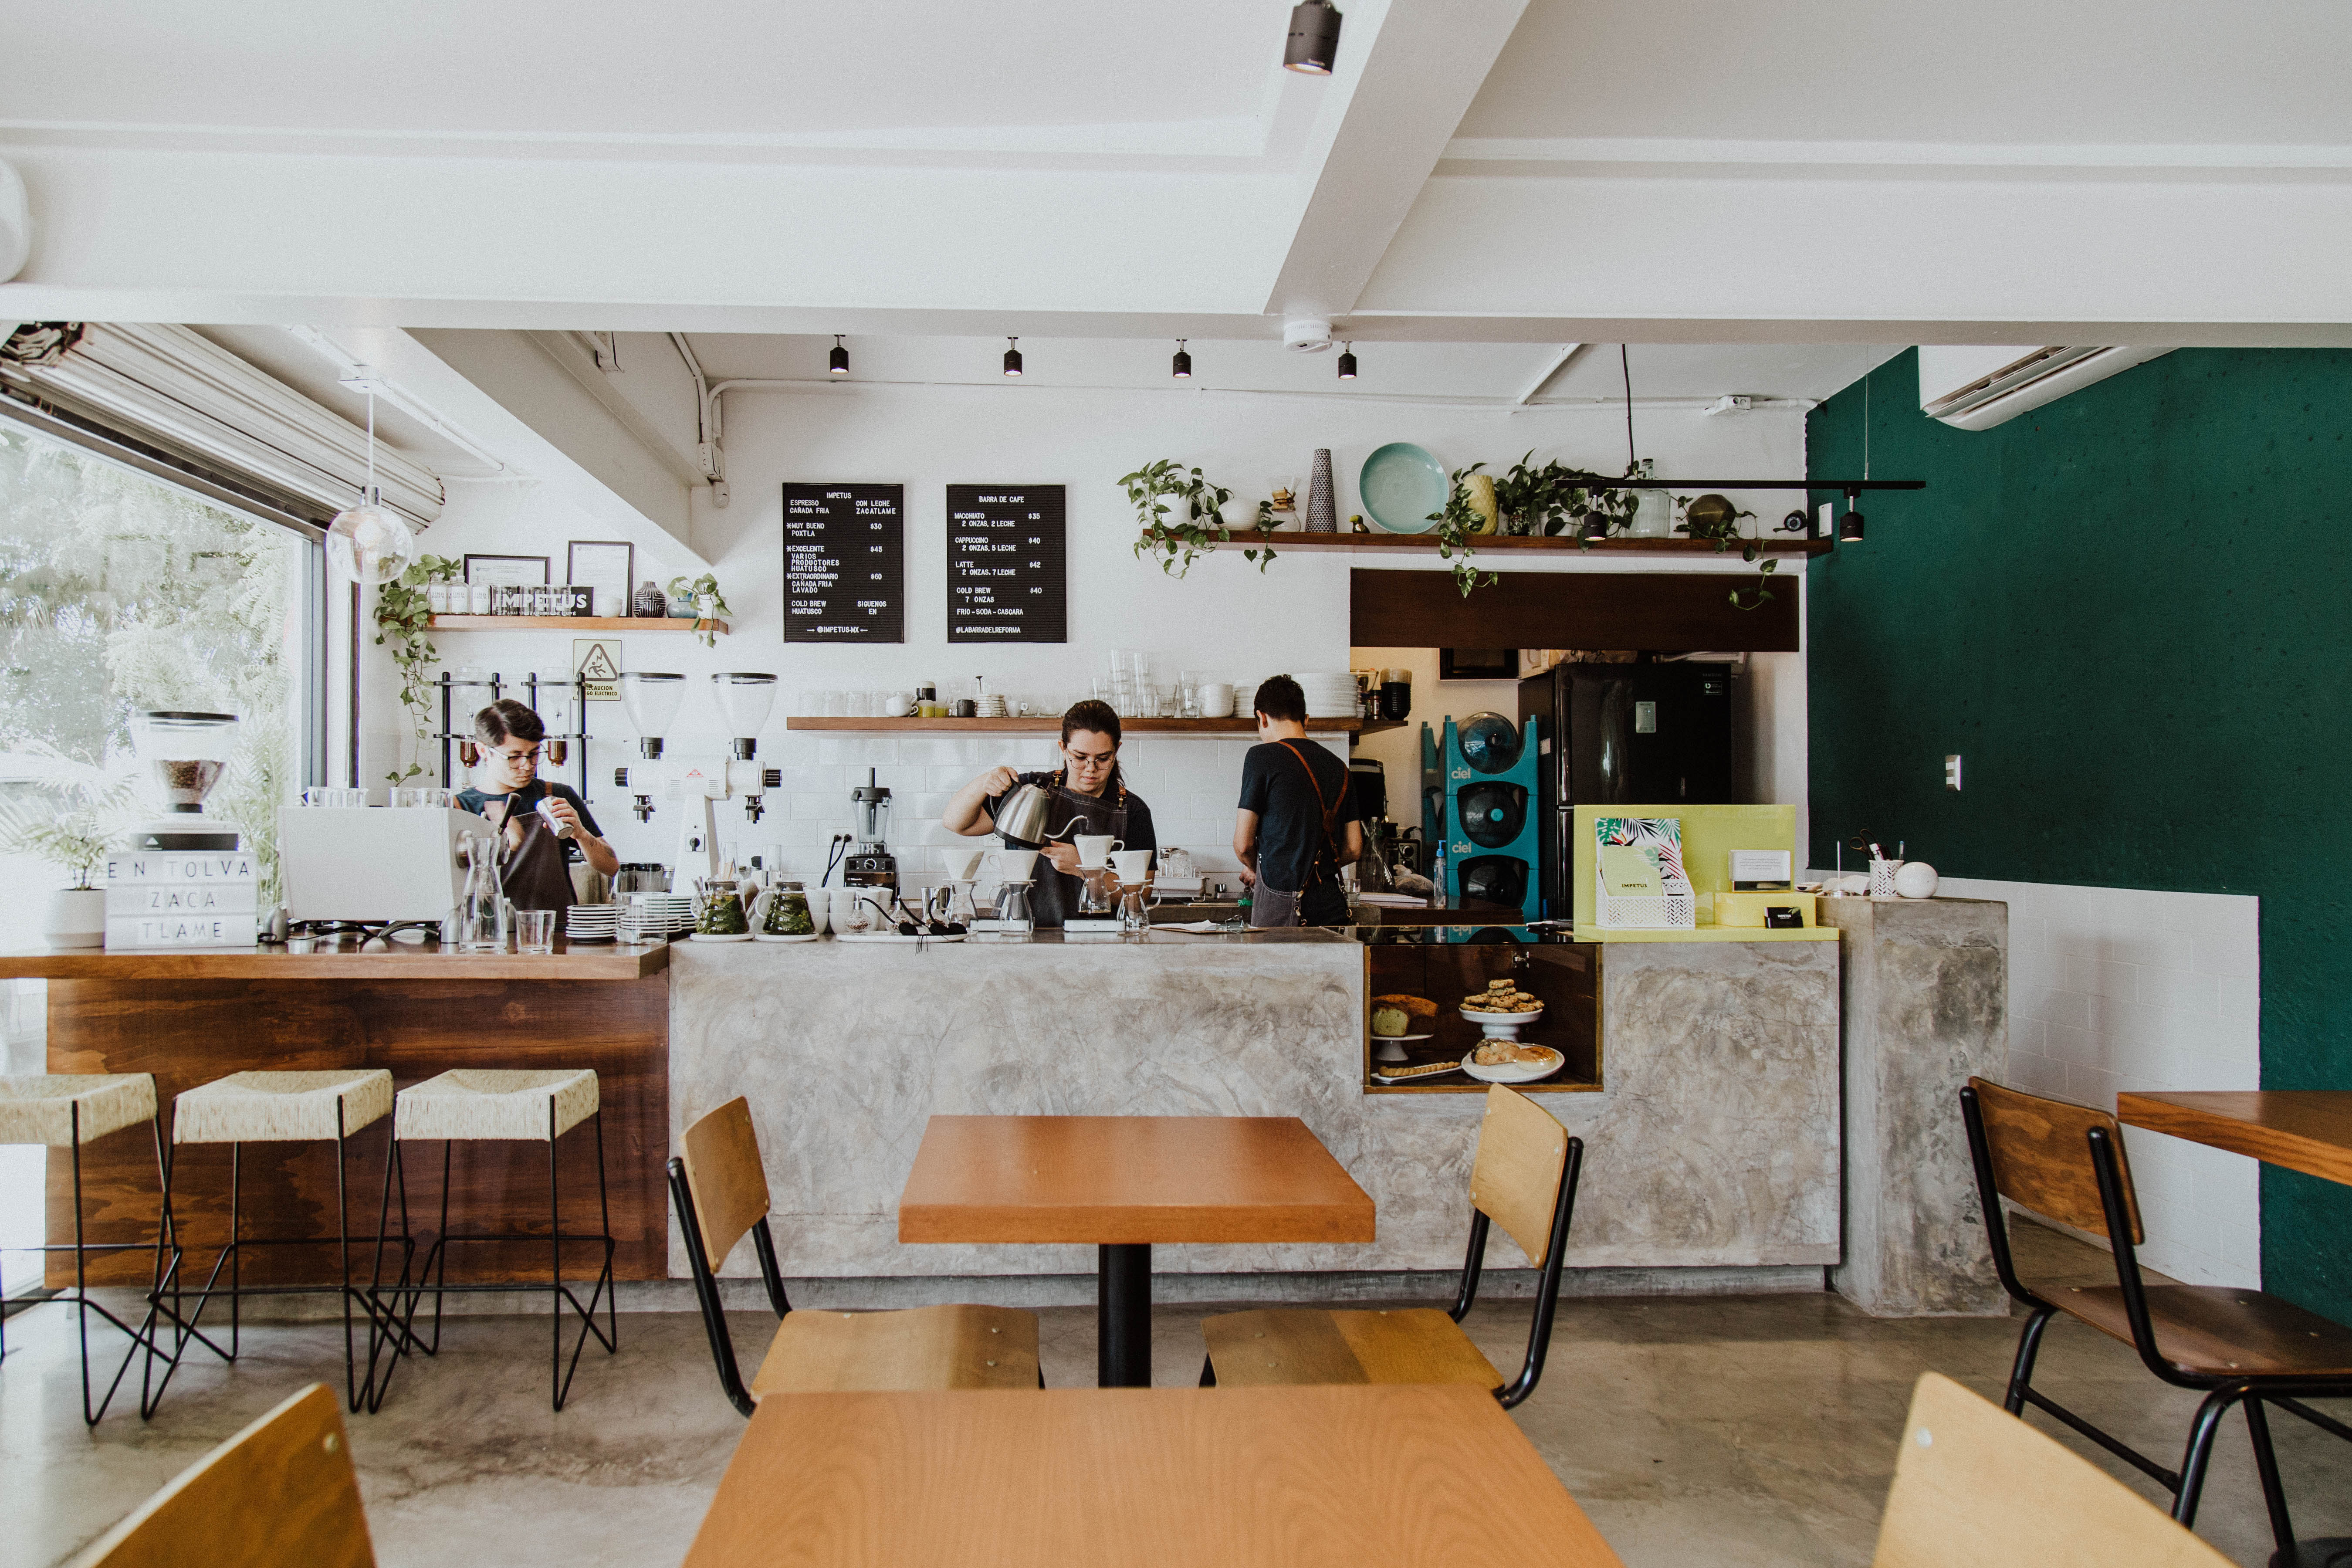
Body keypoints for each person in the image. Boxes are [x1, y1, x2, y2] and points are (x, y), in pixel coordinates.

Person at [942, 699, 1157, 928]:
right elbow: (956, 824)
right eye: (1080, 757)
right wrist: (986, 781)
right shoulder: (1031, 790)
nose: (1091, 768)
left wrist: (1083, 868)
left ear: (1117, 750)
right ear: (1063, 748)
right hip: (1021, 929)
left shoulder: (1133, 810)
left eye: (1103, 759)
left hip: (1097, 939)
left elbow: (1139, 898)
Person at [454, 699, 619, 912]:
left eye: (533, 754)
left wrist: (581, 834)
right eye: (514, 757)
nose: (527, 765)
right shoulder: (460, 807)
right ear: (483, 751)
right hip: (488, 931)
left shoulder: (557, 795)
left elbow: (611, 867)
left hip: (556, 930)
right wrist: (503, 845)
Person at [1234, 675, 1364, 928]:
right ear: (1306, 720)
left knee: (1279, 968)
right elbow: (1355, 848)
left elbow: (1243, 845)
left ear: (1261, 717)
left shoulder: (1262, 757)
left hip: (1283, 903)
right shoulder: (1340, 768)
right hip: (1330, 903)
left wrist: (1263, 870)